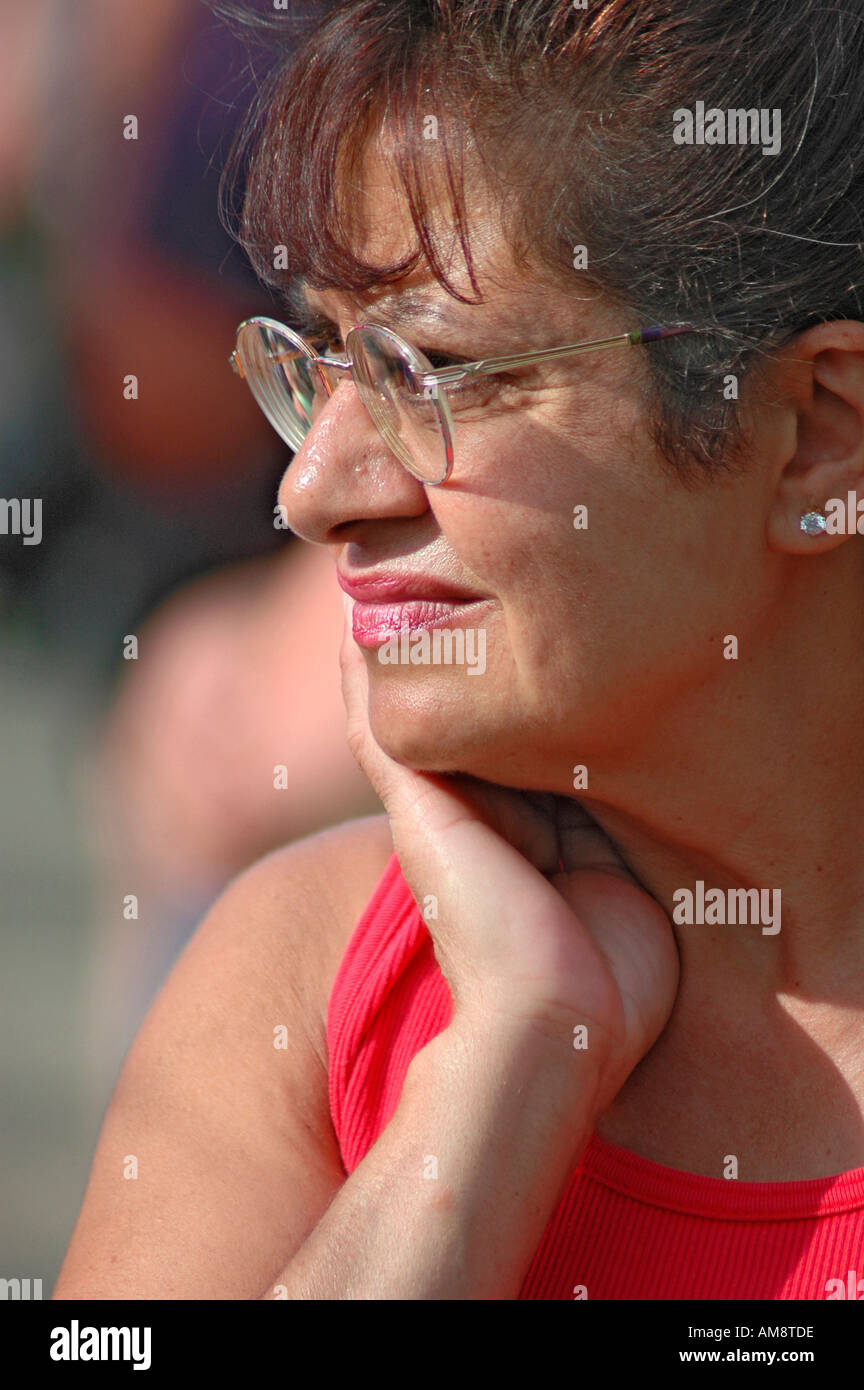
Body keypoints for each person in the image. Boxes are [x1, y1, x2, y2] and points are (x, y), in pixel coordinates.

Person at [54, 0, 864, 1300]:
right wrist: (491, 1090)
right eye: (316, 362)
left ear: (819, 433)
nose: (314, 488)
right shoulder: (310, 986)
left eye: (432, 368)